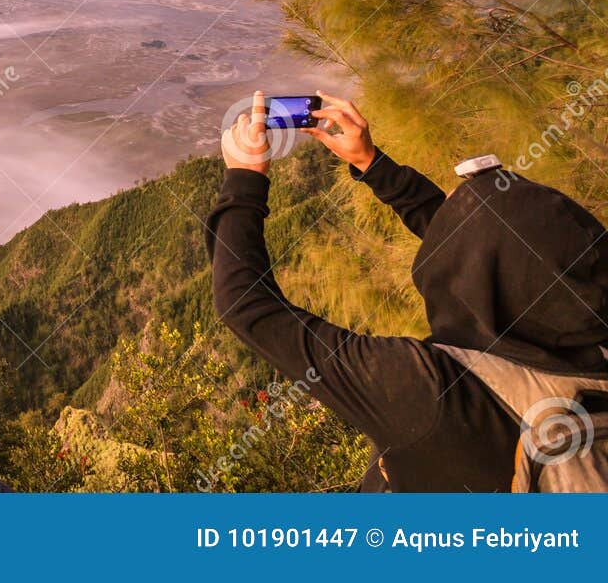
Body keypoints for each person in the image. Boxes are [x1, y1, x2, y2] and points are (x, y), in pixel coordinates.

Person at [208, 91, 608, 491]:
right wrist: (371, 163)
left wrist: (244, 180)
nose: (448, 200)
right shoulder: (583, 316)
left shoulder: (430, 391)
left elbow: (246, 305)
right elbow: (495, 251)